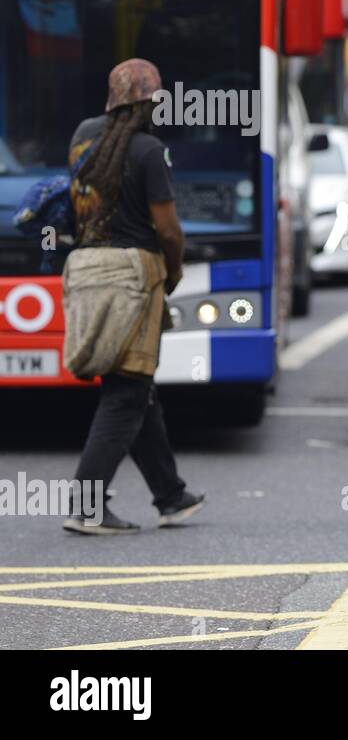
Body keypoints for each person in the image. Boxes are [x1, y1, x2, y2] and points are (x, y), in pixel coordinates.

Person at [62, 58, 204, 535]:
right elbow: (167, 228)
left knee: (137, 388)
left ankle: (170, 495)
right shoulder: (148, 151)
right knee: (126, 392)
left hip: (86, 269)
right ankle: (85, 505)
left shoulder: (83, 134)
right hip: (132, 274)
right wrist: (175, 269)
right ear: (147, 103)